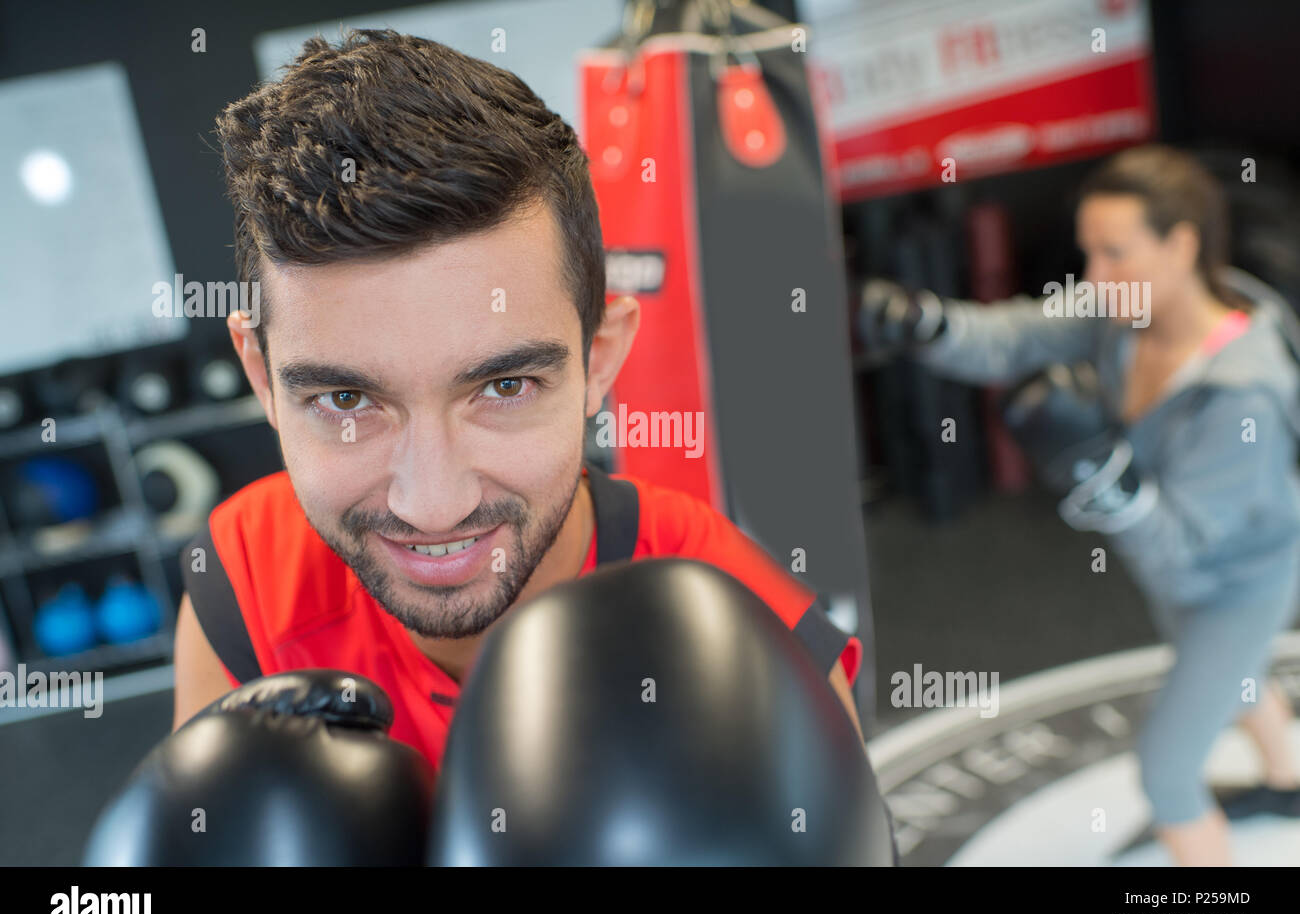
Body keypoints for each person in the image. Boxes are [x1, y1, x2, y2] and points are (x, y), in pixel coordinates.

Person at [173, 29, 866, 782]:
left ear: (600, 358)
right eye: (347, 399)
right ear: (263, 377)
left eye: (504, 387)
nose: (433, 505)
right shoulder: (247, 578)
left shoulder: (751, 630)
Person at [861, 144, 1300, 866]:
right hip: (1177, 575)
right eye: (1089, 252)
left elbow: (1183, 552)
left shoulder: (1242, 394)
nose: (1095, 276)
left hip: (1236, 585)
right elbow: (1014, 336)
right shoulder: (1124, 309)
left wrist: (1102, 470)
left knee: (1166, 770)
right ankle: (1285, 784)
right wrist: (928, 322)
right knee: (1241, 684)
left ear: (1181, 244)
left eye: (1115, 253)